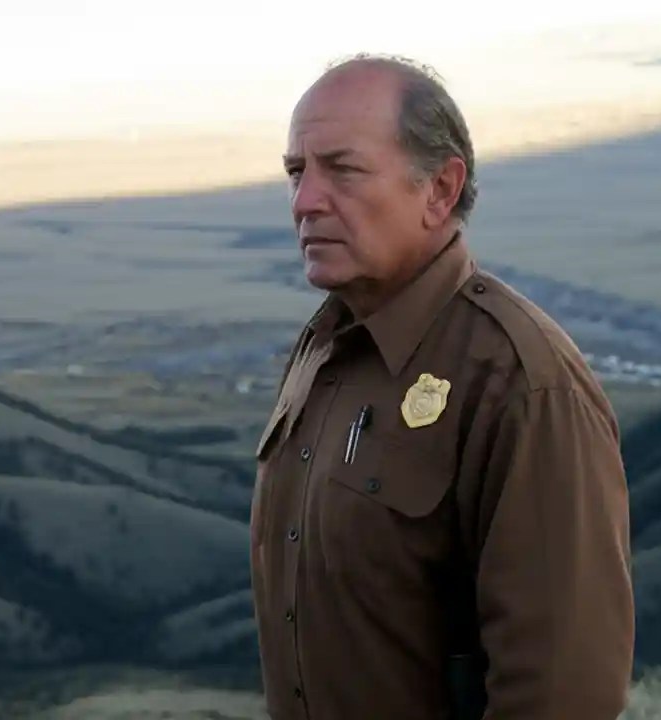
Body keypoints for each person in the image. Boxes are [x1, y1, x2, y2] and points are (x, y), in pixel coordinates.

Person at [249, 53, 634, 720]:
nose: (305, 201)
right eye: (295, 172)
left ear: (440, 189)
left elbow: (563, 695)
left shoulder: (520, 382)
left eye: (341, 169)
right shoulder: (325, 349)